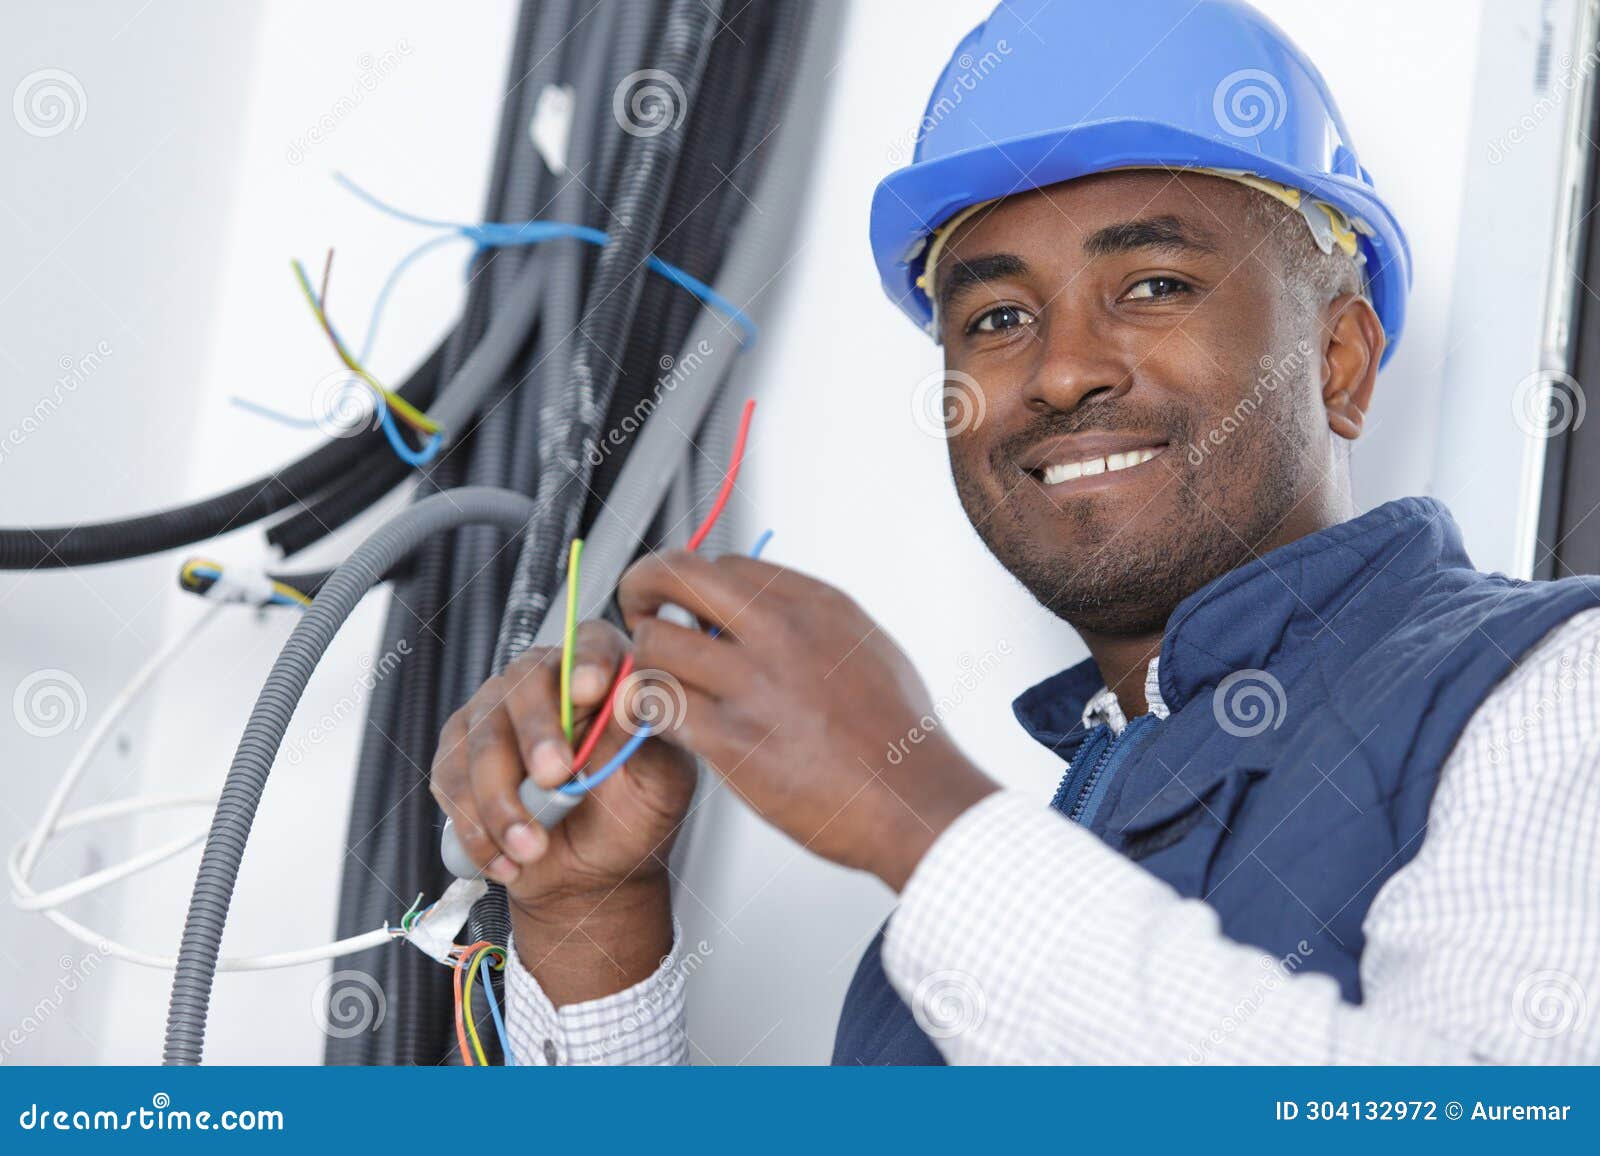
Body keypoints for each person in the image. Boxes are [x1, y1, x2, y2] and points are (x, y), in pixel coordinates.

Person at [430, 0, 1600, 1064]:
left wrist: (914, 813)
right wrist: (596, 930)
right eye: (994, 315)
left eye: (1152, 284)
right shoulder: (931, 962)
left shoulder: (1551, 686)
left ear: (1337, 362)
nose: (1060, 370)